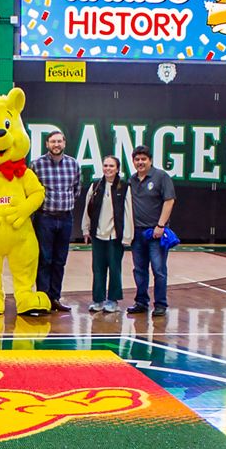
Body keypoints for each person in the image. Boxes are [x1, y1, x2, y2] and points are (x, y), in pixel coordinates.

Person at [32, 129, 81, 313]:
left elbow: (76, 189)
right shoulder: (37, 165)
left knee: (60, 260)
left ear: (64, 143)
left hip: (66, 218)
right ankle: (43, 299)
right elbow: (31, 191)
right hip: (45, 218)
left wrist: (64, 204)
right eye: (53, 141)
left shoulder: (73, 164)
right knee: (44, 259)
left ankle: (55, 297)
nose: (56, 145)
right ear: (47, 144)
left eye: (59, 141)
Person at [127, 144, 177, 318]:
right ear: (133, 161)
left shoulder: (161, 177)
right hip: (137, 232)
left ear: (150, 160)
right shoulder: (131, 180)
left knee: (159, 269)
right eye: (137, 159)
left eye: (143, 159)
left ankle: (161, 304)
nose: (140, 162)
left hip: (156, 232)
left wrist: (161, 225)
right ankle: (141, 302)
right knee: (139, 269)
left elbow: (169, 201)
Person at [81, 155, 134, 314]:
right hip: (97, 235)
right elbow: (87, 209)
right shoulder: (95, 186)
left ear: (117, 169)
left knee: (115, 268)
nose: (108, 169)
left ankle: (112, 300)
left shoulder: (124, 187)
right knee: (97, 268)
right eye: (105, 165)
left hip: (115, 236)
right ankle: (98, 300)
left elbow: (128, 211)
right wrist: (86, 229)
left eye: (111, 166)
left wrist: (127, 236)